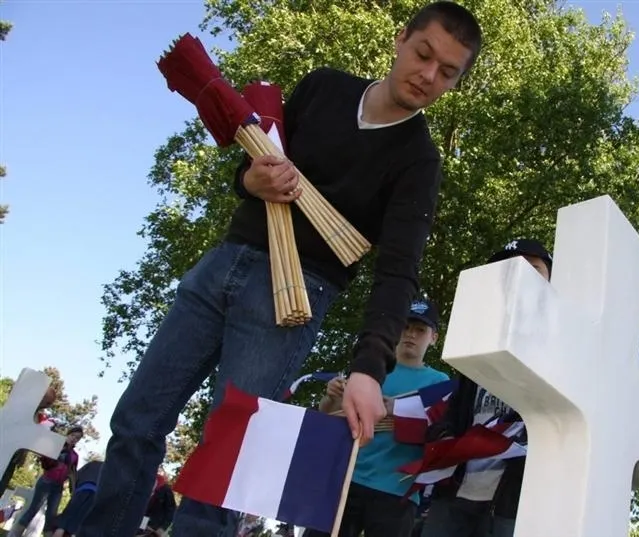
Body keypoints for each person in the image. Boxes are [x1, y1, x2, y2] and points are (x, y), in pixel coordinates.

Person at [79, 3, 482, 536]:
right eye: (423, 54)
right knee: (135, 422)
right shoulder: (323, 87)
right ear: (401, 38)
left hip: (294, 297)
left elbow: (398, 271)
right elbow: (253, 167)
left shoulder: (419, 161)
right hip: (224, 263)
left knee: (226, 458)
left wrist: (369, 367)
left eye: (447, 72)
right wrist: (250, 183)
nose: (428, 75)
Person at [420, 239, 552, 537]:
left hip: (512, 504)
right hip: (453, 497)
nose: (519, 275)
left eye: (532, 268)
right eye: (508, 268)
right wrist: (444, 435)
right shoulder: (476, 345)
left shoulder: (559, 348)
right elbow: (453, 414)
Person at [305, 298, 449, 537]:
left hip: (398, 491)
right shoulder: (370, 369)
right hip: (345, 480)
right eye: (405, 327)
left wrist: (400, 409)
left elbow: (440, 433)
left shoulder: (440, 383)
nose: (411, 334)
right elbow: (330, 417)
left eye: (420, 330)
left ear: (434, 337)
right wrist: (331, 396)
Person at [9, 426, 84, 537]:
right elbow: (44, 462)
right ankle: (14, 534)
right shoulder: (57, 447)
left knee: (52, 515)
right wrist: (60, 451)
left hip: (58, 487)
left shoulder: (74, 456)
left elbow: (72, 473)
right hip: (46, 481)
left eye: (77, 438)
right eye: (72, 435)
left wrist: (72, 489)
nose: (74, 439)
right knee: (33, 509)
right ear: (68, 434)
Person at [51, 459, 103, 537]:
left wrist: (73, 491)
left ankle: (59, 531)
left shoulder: (92, 464)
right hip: (95, 496)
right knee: (78, 525)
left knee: (64, 521)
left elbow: (75, 477)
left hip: (81, 491)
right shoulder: (108, 469)